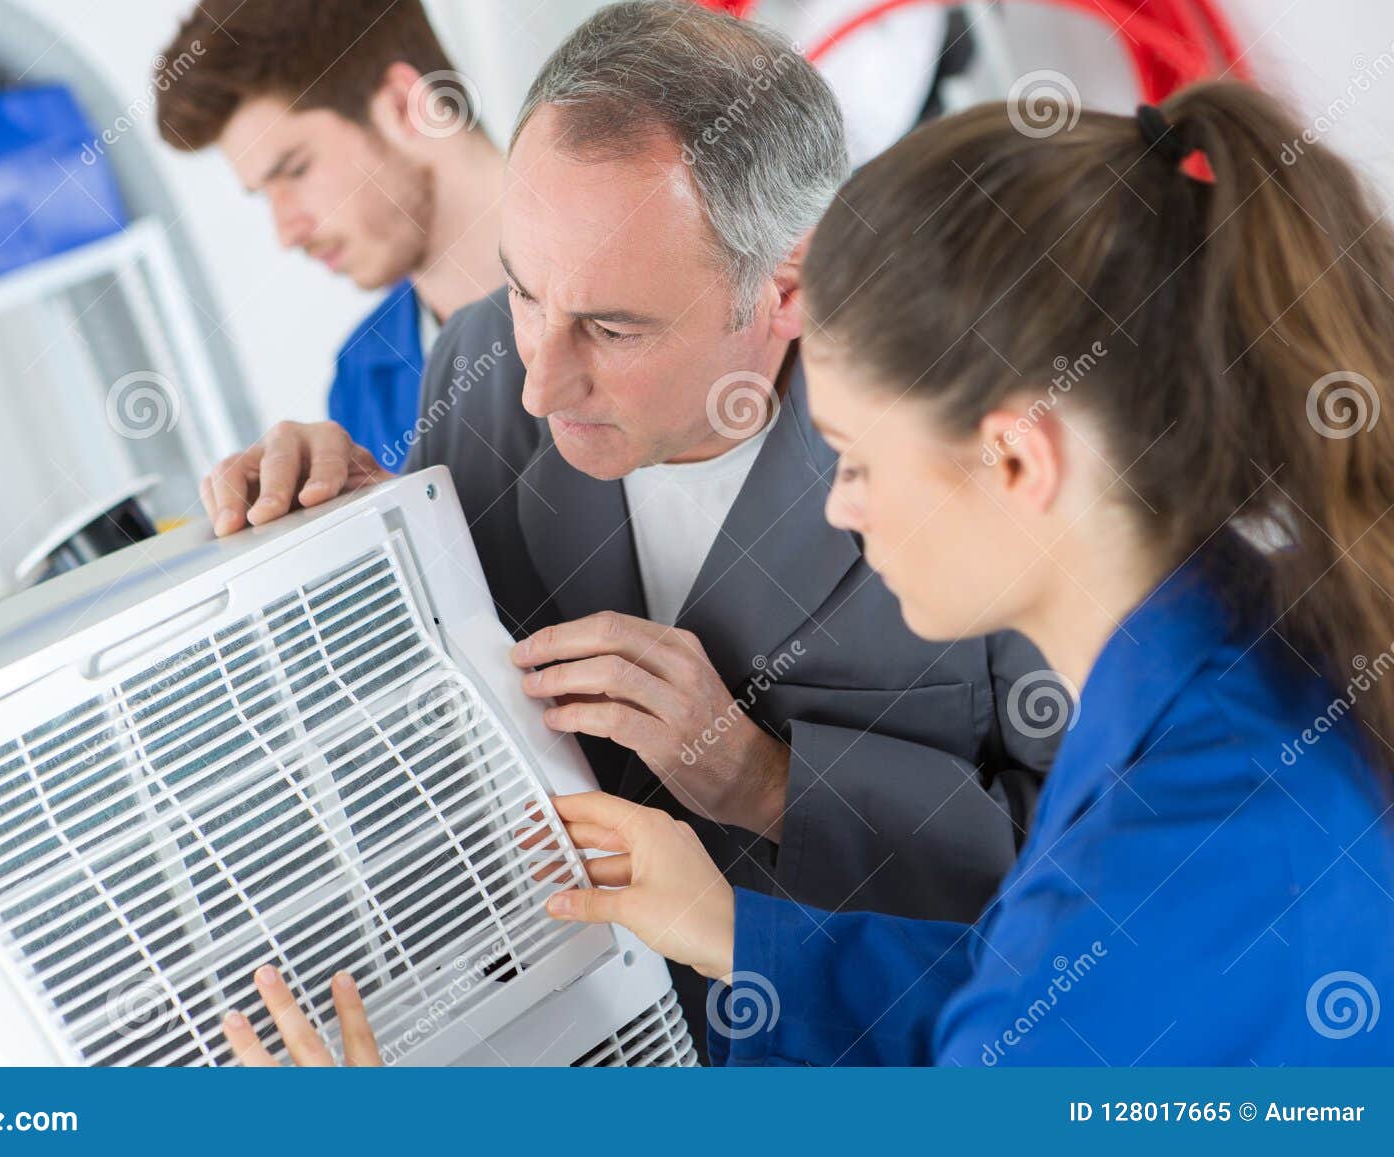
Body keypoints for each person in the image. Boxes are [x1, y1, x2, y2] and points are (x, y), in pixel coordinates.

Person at [205, 0, 1057, 1055]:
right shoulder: (480, 371)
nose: (541, 385)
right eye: (526, 293)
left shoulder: (977, 446)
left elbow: (1095, 880)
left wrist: (770, 782)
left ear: (785, 287)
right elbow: (430, 744)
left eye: (611, 328)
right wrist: (352, 547)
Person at [532, 83, 1394, 1064]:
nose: (840, 505)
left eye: (855, 459)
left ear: (1017, 461)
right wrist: (739, 934)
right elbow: (1029, 990)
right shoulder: (1256, 640)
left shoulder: (1166, 854)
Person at [156, 0, 505, 469]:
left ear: (403, 108)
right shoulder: (361, 382)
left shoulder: (607, 262)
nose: (287, 232)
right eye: (264, 195)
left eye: (296, 170)